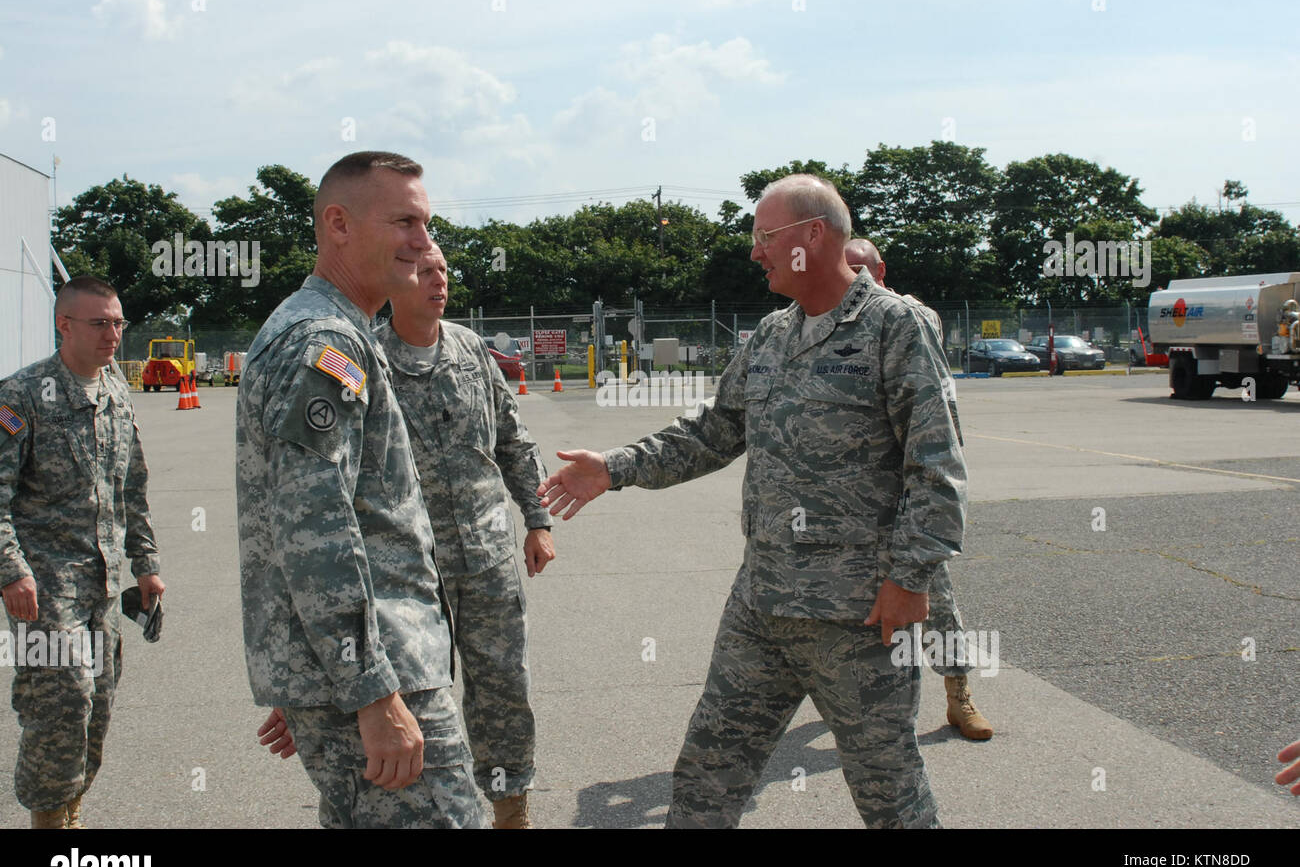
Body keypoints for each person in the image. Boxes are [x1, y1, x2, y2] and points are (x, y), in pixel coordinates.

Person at [538, 174, 967, 828]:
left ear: (813, 236)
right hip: (762, 608)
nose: (754, 252)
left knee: (892, 798)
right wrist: (614, 468)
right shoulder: (769, 336)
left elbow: (936, 467)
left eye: (765, 236)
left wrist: (910, 580)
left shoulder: (894, 328)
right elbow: (712, 433)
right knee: (705, 779)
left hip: (858, 619)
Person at [238, 150, 485, 829]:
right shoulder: (324, 341)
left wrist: (316, 676)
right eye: (404, 221)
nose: (423, 243)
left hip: (364, 666)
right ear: (338, 224)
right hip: (385, 673)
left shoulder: (342, 330)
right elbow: (314, 528)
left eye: (427, 224)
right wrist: (368, 692)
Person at [375, 245, 555, 828]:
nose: (438, 280)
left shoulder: (473, 350)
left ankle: (510, 808)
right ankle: (431, 814)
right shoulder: (362, 361)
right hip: (407, 571)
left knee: (503, 689)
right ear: (393, 279)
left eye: (443, 271)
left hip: (487, 558)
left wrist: (538, 518)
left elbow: (512, 438)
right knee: (419, 699)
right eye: (425, 271)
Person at [0, 276, 164, 828]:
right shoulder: (20, 396)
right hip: (44, 586)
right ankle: (48, 824)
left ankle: (70, 807)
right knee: (60, 702)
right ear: (63, 325)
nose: (113, 333)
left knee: (98, 703)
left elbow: (131, 486)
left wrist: (147, 564)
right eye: (100, 323)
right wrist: (10, 571)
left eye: (118, 322)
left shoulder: (115, 389)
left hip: (103, 581)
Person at [844, 237, 992, 740]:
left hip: (911, 488)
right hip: (856, 498)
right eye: (847, 270)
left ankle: (958, 696)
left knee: (935, 596)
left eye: (862, 268)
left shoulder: (913, 316)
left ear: (881, 269)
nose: (855, 278)